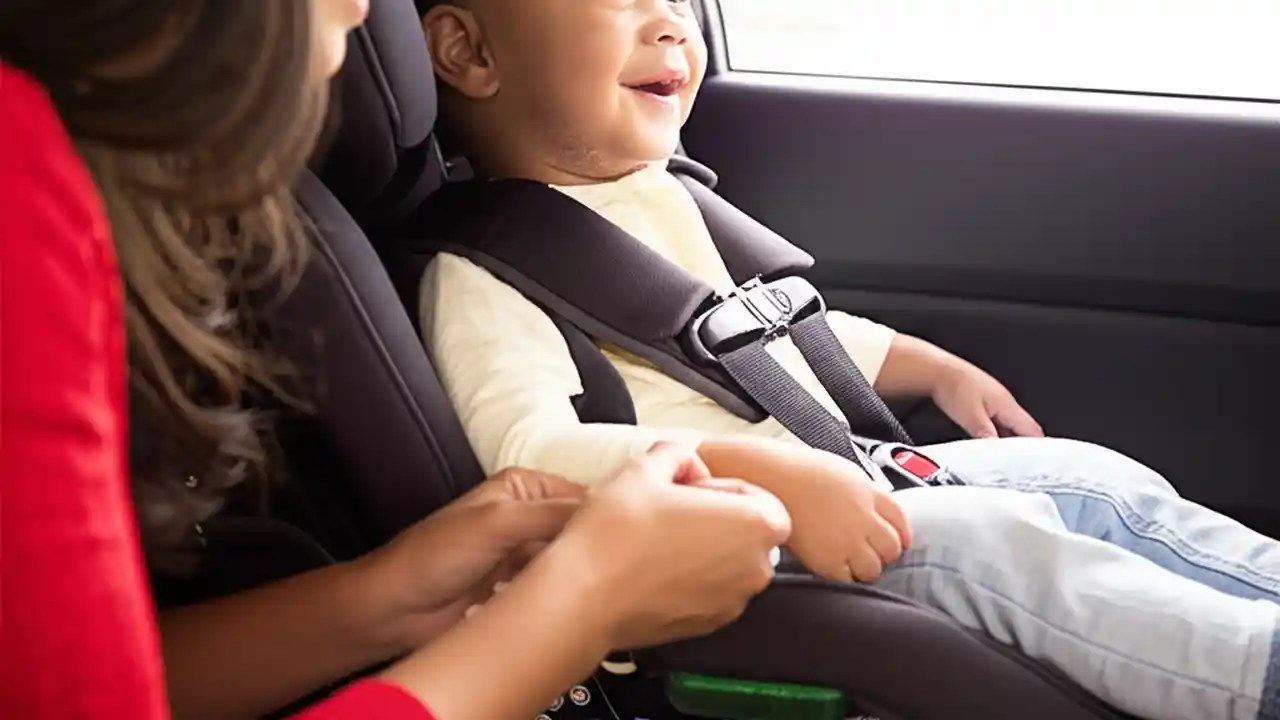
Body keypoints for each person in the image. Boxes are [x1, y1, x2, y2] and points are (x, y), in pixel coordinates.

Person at [412, 1, 1280, 718]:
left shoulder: (652, 198)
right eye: (623, 0)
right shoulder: (482, 273)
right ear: (468, 50)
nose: (672, 24)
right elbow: (528, 459)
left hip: (828, 480)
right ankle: (1251, 678)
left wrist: (927, 365)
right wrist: (762, 476)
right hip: (712, 548)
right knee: (990, 543)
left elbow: (756, 339)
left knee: (1086, 479)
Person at [0, 2, 791, 719]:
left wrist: (380, 599)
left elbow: (84, 684)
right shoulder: (19, 189)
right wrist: (581, 601)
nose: (369, 9)